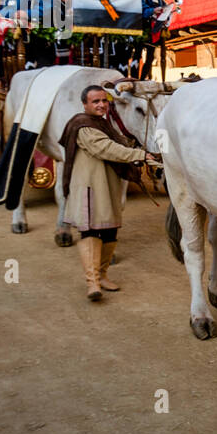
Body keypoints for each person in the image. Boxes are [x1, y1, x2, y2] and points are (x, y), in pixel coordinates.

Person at [59, 85, 158, 301]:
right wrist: (138, 154)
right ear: (84, 104)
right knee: (91, 231)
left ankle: (102, 276)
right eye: (95, 101)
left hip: (107, 186)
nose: (101, 104)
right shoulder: (82, 125)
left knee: (110, 232)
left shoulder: (104, 123)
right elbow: (105, 149)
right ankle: (92, 282)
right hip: (90, 186)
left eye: (104, 100)